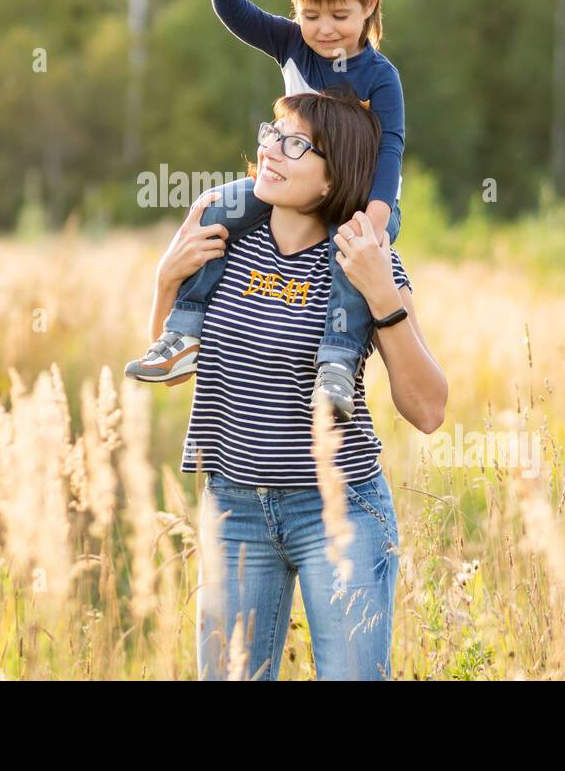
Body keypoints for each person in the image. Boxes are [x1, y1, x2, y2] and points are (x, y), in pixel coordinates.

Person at [142, 89, 447, 680]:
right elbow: (173, 370)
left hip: (339, 512)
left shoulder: (362, 258)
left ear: (336, 180)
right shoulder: (223, 241)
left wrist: (382, 294)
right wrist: (164, 282)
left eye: (296, 144)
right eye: (271, 134)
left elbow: (428, 409)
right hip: (233, 508)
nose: (271, 151)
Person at [125, 0, 406, 420]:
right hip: (293, 180)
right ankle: (183, 333)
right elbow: (233, 9)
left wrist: (378, 211)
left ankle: (338, 366)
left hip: (361, 198)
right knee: (214, 208)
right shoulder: (292, 44)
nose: (324, 29)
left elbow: (390, 145)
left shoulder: (380, 76)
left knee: (350, 256)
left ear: (369, 6)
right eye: (310, 14)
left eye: (340, 16)